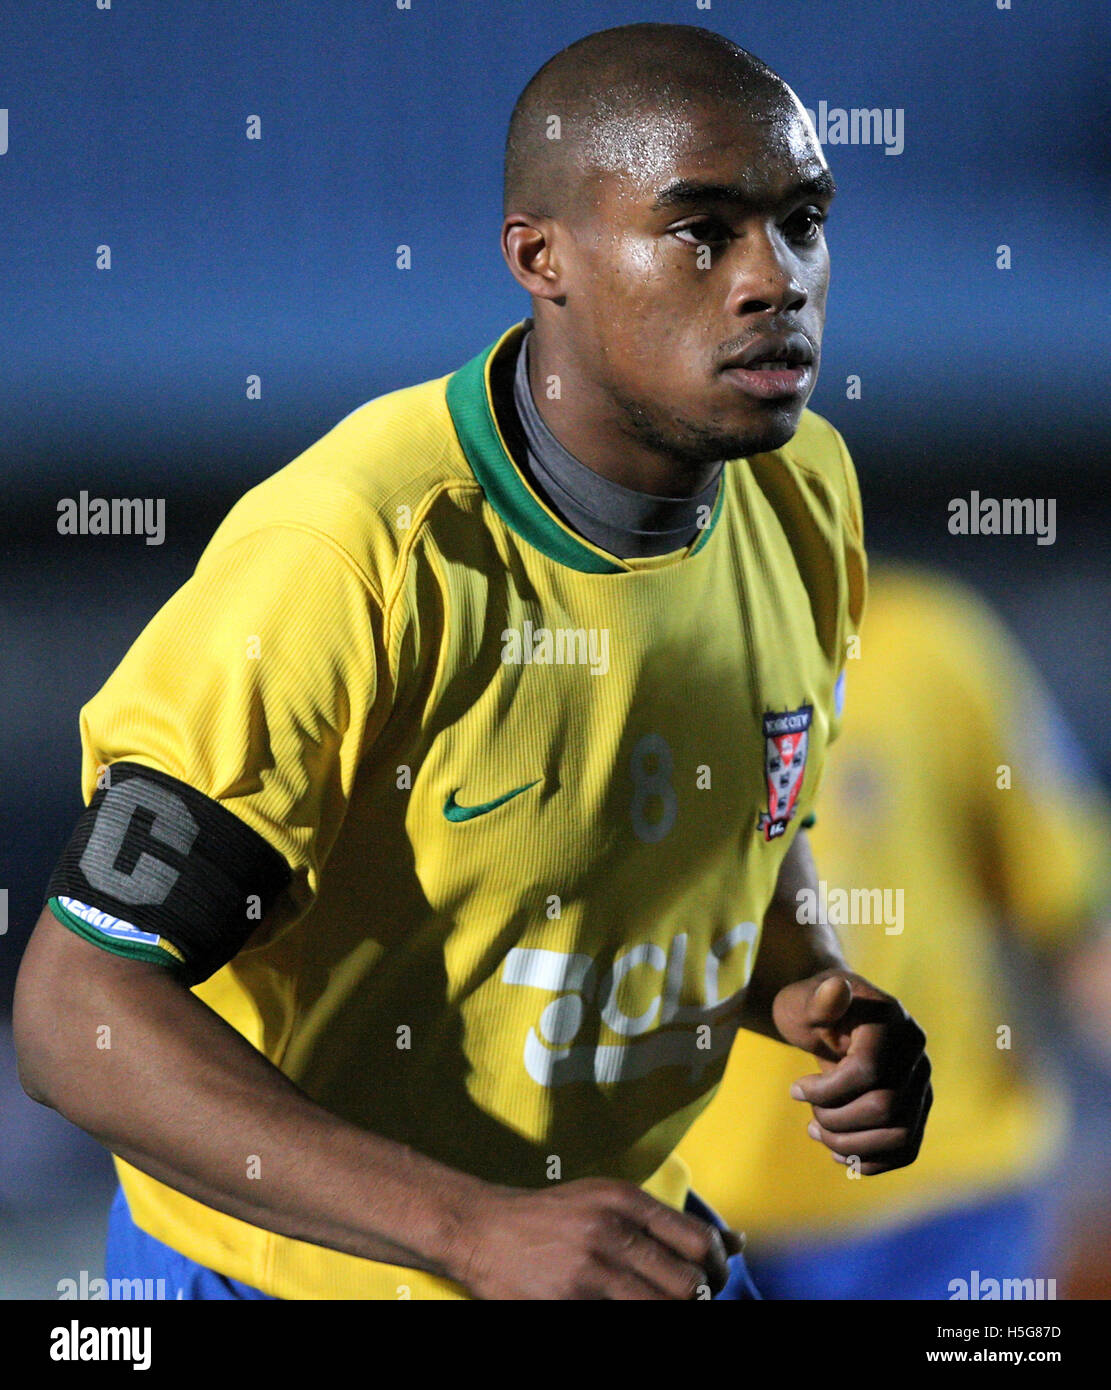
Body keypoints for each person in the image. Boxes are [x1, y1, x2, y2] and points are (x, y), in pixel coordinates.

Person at [13, 23, 930, 1301]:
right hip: (297, 1280)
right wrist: (472, 1230)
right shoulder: (345, 557)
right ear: (538, 256)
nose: (774, 277)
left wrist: (811, 988)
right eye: (702, 230)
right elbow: (78, 1020)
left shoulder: (802, 488)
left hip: (623, 1253)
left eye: (804, 220)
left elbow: (754, 827)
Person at [677, 565, 1111, 1299]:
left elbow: (1073, 918)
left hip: (941, 1208)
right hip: (701, 1215)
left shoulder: (928, 644)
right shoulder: (615, 660)